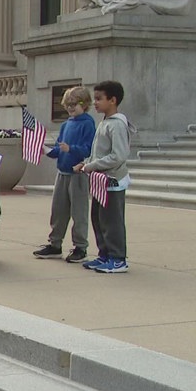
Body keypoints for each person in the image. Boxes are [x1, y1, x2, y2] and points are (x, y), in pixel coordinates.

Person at [34, 87, 97, 263]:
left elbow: (88, 148)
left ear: (84, 104)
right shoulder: (65, 124)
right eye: (68, 105)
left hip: (78, 174)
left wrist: (71, 149)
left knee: (79, 212)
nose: (70, 108)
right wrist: (47, 151)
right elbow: (59, 150)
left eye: (74, 104)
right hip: (62, 173)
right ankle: (55, 244)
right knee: (58, 211)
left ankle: (80, 247)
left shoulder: (88, 123)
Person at [76, 80, 132, 273]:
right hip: (101, 181)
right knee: (98, 219)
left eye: (99, 99)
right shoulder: (105, 123)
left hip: (113, 181)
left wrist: (92, 165)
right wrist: (87, 163)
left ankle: (118, 258)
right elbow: (99, 151)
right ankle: (105, 254)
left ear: (113, 100)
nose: (95, 103)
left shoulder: (116, 125)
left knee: (112, 221)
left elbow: (118, 156)